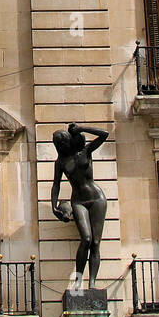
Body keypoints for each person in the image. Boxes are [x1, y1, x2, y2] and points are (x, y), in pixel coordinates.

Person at [50, 122, 109, 289]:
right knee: (86, 239)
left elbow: (104, 134)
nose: (60, 145)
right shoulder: (61, 162)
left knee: (96, 242)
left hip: (97, 199)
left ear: (69, 140)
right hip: (78, 201)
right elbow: (56, 185)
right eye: (57, 143)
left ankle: (92, 283)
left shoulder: (85, 151)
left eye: (62, 141)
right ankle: (79, 280)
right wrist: (54, 206)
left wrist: (82, 128)